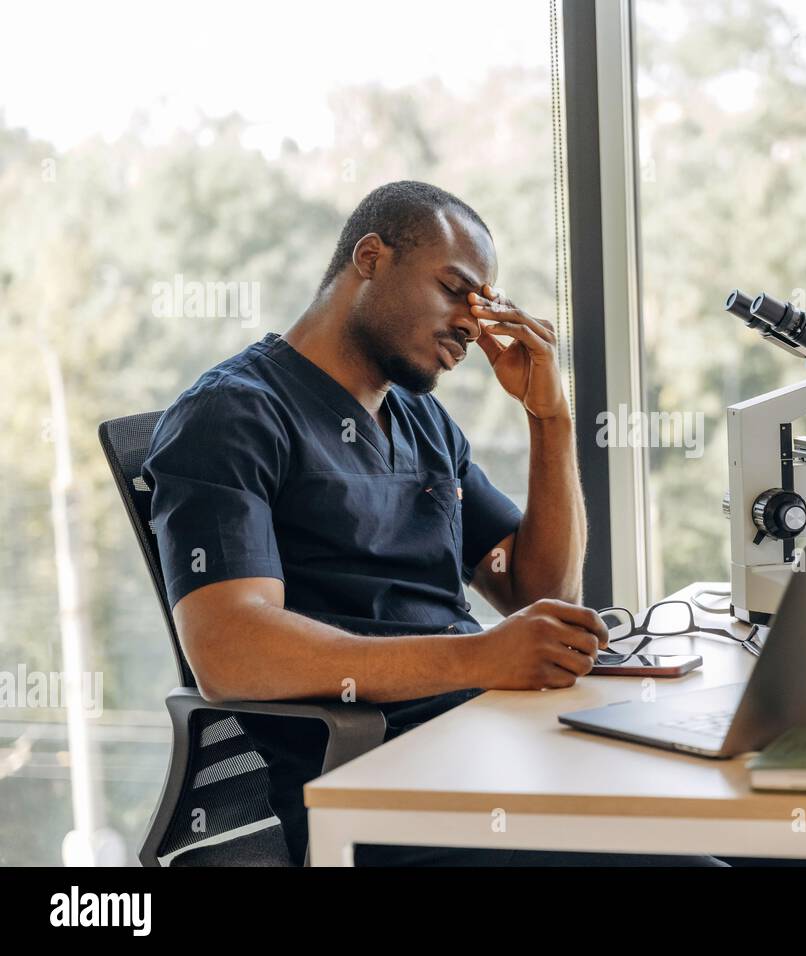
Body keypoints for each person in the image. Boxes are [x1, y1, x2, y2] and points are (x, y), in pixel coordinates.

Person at [144, 181, 724, 866]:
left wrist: (550, 419)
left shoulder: (419, 421)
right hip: (380, 797)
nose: (472, 326)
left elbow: (538, 591)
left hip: (489, 746)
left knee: (779, 845)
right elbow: (228, 650)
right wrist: (482, 657)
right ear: (371, 257)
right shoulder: (233, 414)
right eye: (455, 290)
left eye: (482, 307)